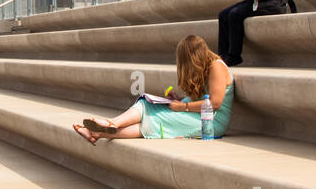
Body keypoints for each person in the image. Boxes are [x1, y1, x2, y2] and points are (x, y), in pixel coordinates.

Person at [73, 35, 233, 143]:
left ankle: (101, 131)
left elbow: (214, 104)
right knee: (145, 103)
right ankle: (109, 125)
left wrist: (183, 106)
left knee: (154, 119)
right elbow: (201, 98)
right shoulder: (206, 67)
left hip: (212, 123)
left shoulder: (216, 67)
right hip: (199, 115)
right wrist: (179, 99)